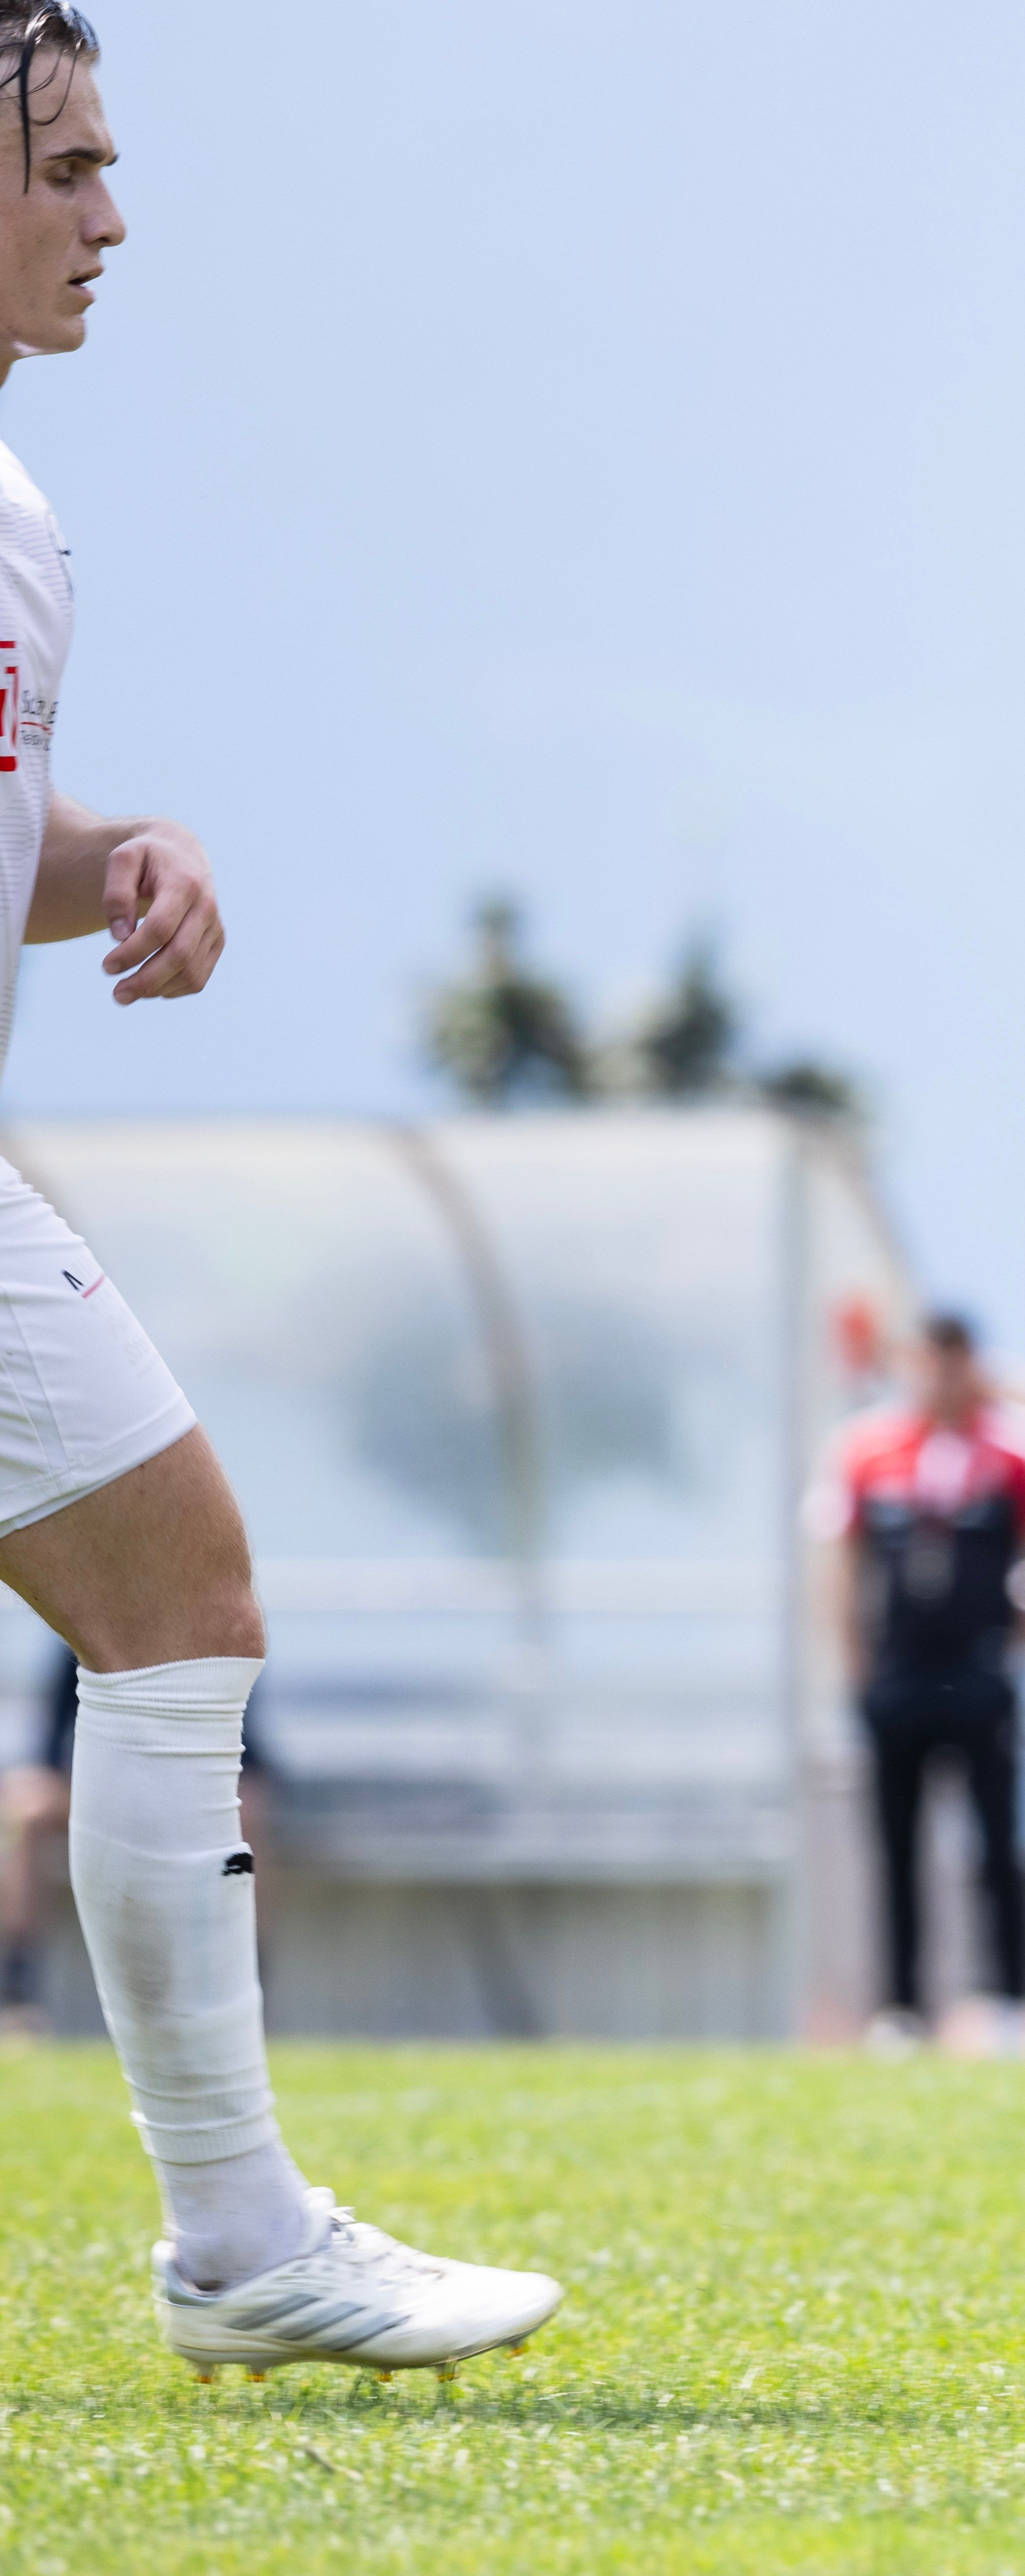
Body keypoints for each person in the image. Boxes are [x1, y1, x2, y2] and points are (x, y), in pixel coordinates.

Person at [0, 9, 563, 2381]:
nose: (112, 215)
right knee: (179, 1601)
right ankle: (237, 2239)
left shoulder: (23, 519)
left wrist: (124, 849)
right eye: (66, 164)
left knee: (178, 1599)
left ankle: (241, 2239)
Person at [817, 1310, 1025, 2056]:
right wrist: (856, 1662)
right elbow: (844, 1563)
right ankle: (902, 2007)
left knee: (998, 1847)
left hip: (979, 1677)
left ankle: (1010, 2004)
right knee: (896, 1852)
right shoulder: (867, 1449)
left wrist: (1018, 1648)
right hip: (899, 1678)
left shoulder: (1013, 1454)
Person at [2, 1642, 276, 2038]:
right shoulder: (83, 1637)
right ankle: (18, 1994)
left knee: (245, 1815)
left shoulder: (215, 1634)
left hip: (190, 1790)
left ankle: (246, 1982)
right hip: (105, 1787)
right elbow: (52, 1744)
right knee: (27, 1809)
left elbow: (246, 1746)